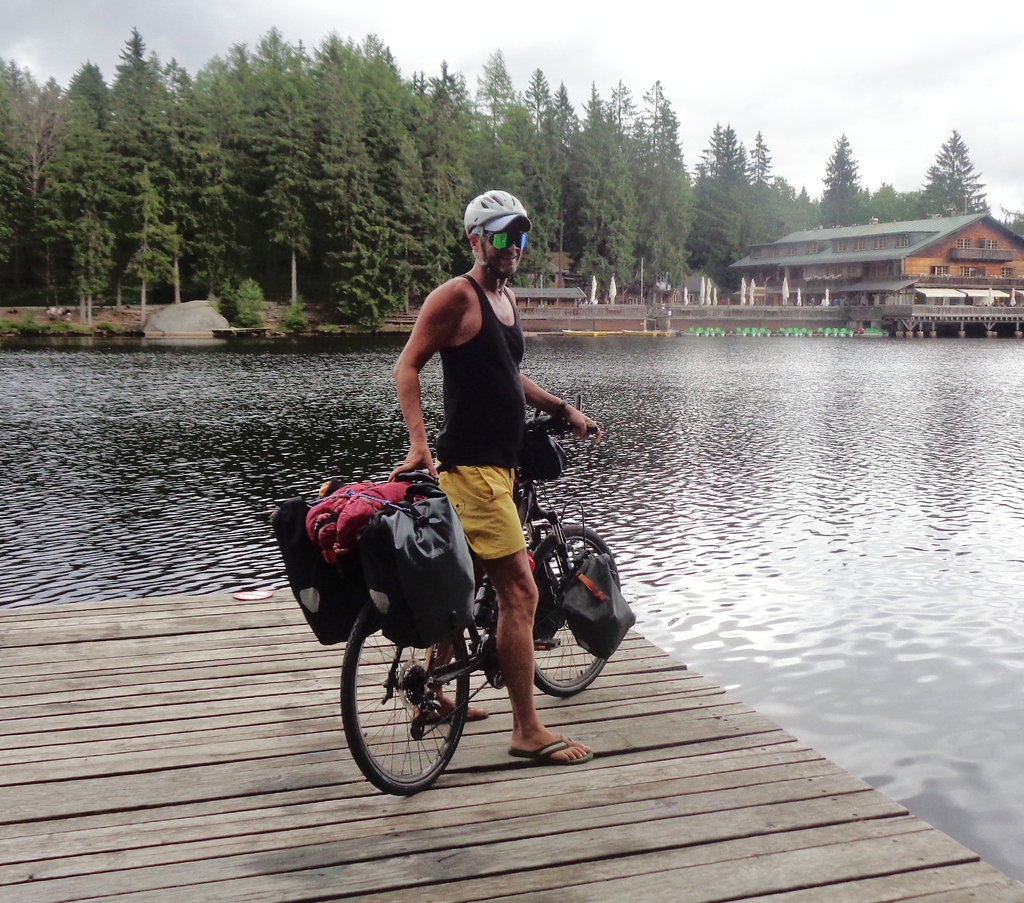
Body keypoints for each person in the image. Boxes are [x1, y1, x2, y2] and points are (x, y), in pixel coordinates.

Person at [391, 190, 600, 766]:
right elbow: (406, 365)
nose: (514, 247)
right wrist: (418, 442)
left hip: (499, 470)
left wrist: (563, 410)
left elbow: (511, 380)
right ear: (475, 240)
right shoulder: (455, 297)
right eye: (502, 236)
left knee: (466, 588)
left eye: (521, 237)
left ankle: (432, 693)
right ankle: (527, 729)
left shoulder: (505, 299)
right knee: (521, 592)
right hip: (473, 474)